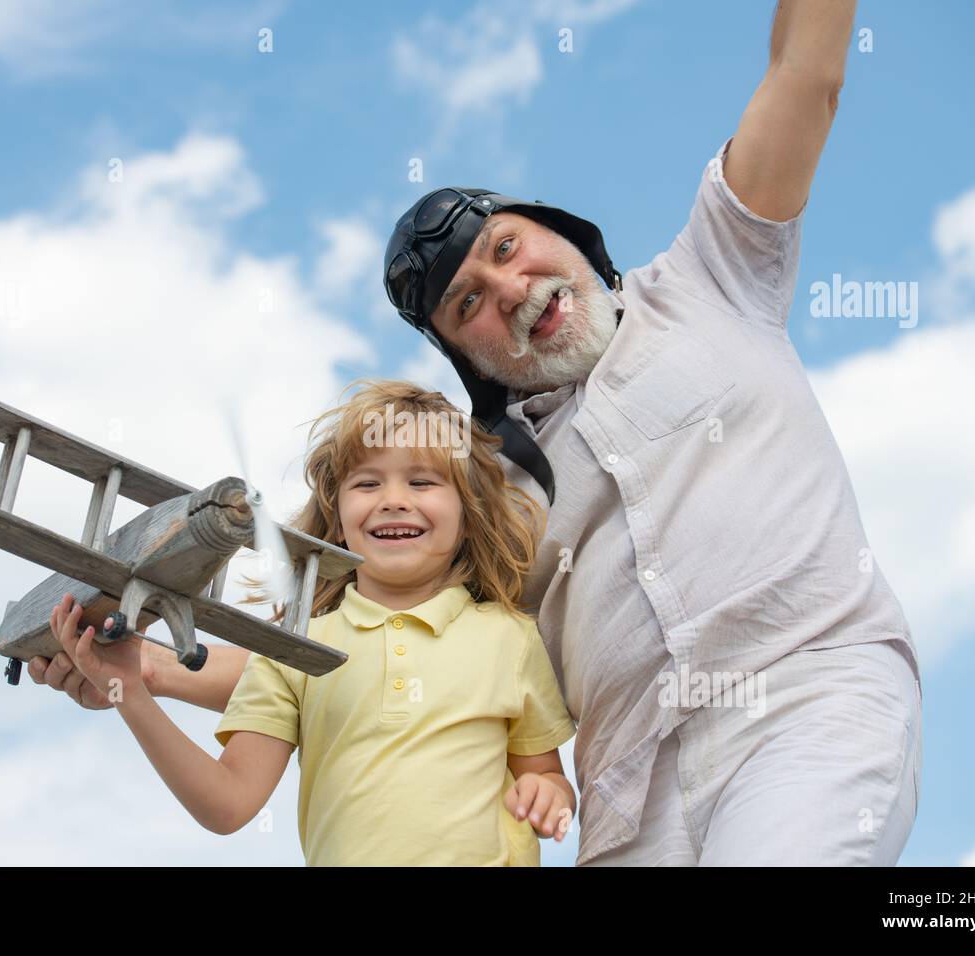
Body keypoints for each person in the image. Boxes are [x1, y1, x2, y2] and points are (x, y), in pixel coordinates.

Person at [376, 0, 921, 866]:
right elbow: (357, 640)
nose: (510, 288)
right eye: (469, 302)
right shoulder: (485, 495)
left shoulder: (716, 273)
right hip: (625, 806)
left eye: (507, 247)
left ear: (557, 230)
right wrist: (142, 665)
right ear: (461, 352)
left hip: (804, 699)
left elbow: (805, 76)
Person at [43, 380, 577, 866]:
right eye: (367, 484)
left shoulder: (509, 637)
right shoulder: (294, 652)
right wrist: (131, 692)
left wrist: (552, 794)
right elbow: (227, 804)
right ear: (337, 515)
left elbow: (544, 773)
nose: (394, 501)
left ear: (467, 512)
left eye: (422, 481)